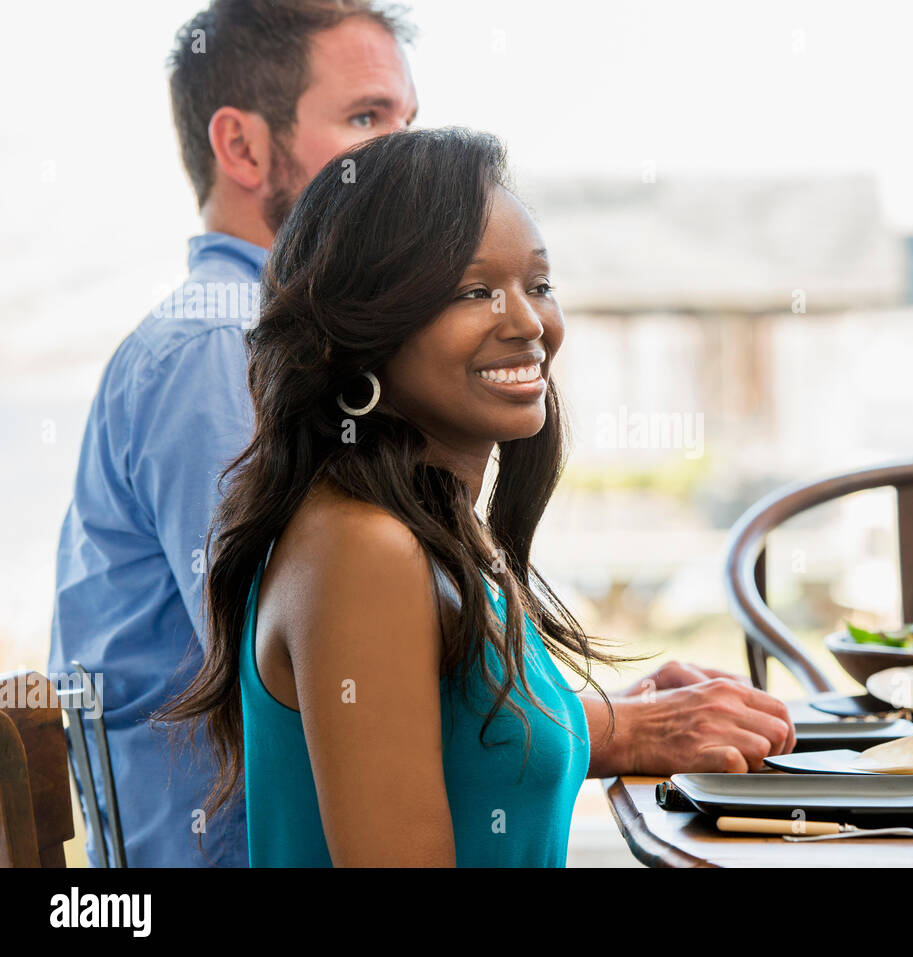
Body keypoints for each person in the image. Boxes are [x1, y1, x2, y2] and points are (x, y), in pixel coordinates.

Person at [51, 0, 795, 868]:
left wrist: (564, 713)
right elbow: (337, 677)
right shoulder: (224, 353)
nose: (395, 156)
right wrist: (618, 725)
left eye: (538, 284)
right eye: (367, 120)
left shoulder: (421, 502)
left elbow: (420, 698)